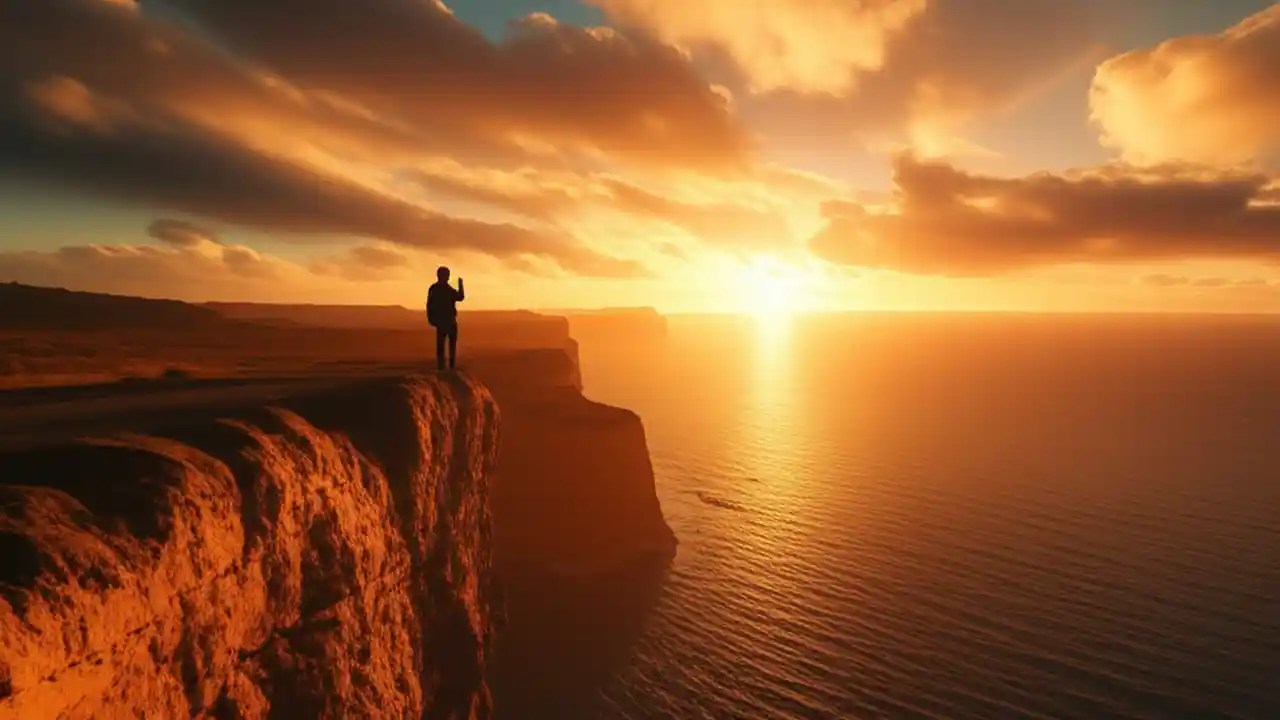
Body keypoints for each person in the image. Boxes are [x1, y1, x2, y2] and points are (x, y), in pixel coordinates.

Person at [426, 266, 465, 370]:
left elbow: (429, 305)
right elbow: (460, 297)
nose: (447, 277)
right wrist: (461, 285)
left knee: (443, 346)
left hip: (445, 321)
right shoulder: (445, 289)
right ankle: (447, 367)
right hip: (447, 320)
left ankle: (444, 367)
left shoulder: (436, 288)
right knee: (447, 346)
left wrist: (431, 319)